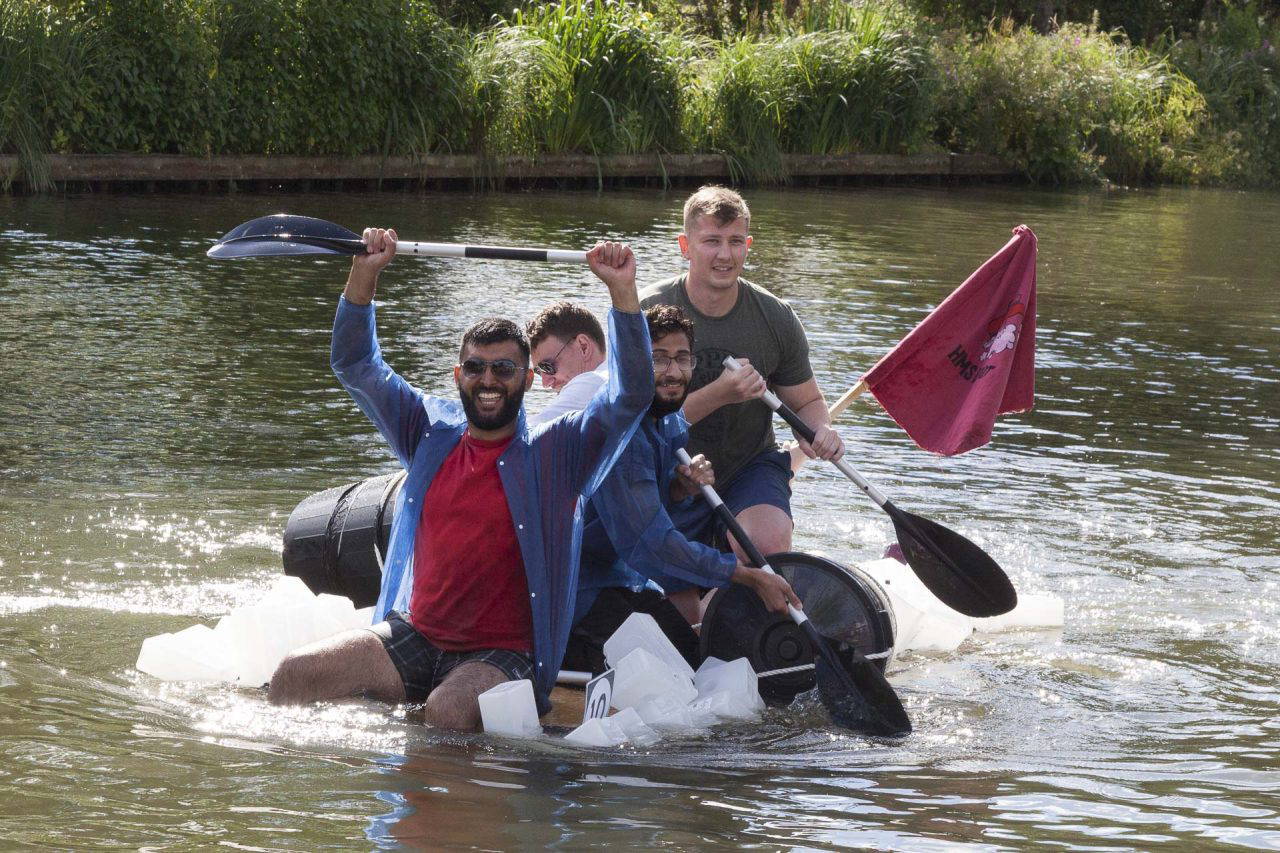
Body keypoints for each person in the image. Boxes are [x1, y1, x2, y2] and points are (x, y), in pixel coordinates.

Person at [268, 228, 653, 733]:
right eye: (475, 367)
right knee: (294, 676)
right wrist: (365, 273)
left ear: (527, 379)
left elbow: (630, 395)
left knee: (447, 711)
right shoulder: (426, 430)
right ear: (457, 375)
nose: (488, 380)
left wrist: (622, 293)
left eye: (503, 368)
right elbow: (355, 364)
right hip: (418, 634)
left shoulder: (559, 452)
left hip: (504, 654)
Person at [561, 304, 801, 674]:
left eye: (682, 358)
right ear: (633, 365)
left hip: (618, 578)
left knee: (698, 658)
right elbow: (653, 545)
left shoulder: (668, 421)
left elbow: (643, 510)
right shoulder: (622, 431)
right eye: (658, 359)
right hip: (572, 593)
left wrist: (677, 490)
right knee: (681, 672)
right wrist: (748, 576)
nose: (673, 372)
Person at [639, 186, 844, 560]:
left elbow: (807, 402)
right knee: (670, 585)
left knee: (765, 546)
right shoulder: (647, 311)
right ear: (685, 246)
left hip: (748, 468)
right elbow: (633, 421)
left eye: (735, 242)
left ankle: (746, 571)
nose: (725, 254)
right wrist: (720, 393)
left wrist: (818, 431)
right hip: (667, 470)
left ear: (747, 246)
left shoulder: (775, 317)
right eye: (711, 241)